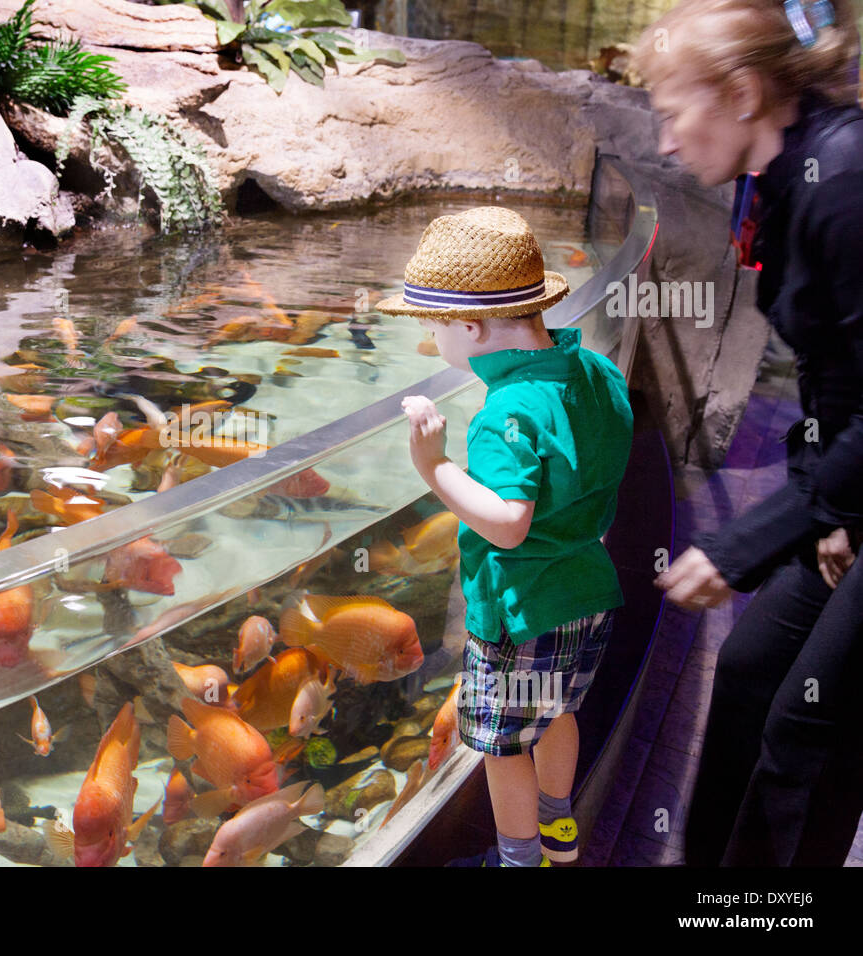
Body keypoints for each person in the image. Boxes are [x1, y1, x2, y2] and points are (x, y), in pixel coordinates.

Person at [636, 0, 863, 865]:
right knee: (751, 671)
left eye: (670, 113)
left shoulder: (843, 185)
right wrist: (829, 513)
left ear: (739, 93)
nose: (663, 143)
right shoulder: (773, 178)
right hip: (848, 489)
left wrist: (750, 543)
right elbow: (835, 374)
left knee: (811, 727)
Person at [377, 206, 634, 866]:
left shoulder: (503, 414)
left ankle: (519, 859)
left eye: (436, 329)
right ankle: (559, 828)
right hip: (589, 591)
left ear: (470, 327)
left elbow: (509, 523)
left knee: (503, 745)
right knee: (560, 714)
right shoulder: (595, 371)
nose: (434, 343)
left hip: (523, 615)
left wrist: (433, 467)